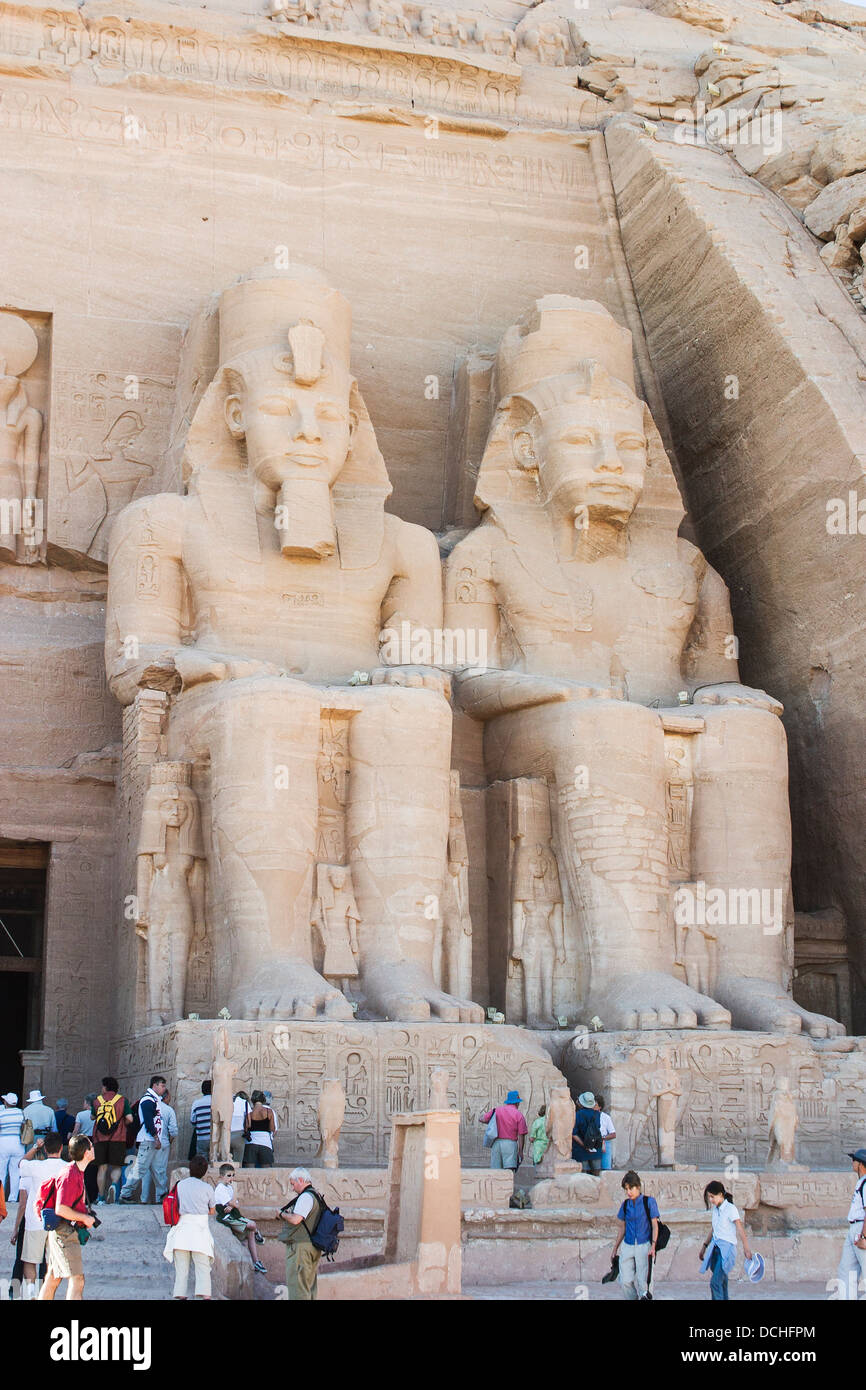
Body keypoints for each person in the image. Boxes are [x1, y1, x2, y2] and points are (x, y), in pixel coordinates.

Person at [37, 1134, 96, 1301]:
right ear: (86, 1152)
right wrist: (84, 1218)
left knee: (53, 1278)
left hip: (64, 1231)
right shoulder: (70, 1174)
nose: (93, 1149)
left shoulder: (77, 1172)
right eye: (91, 1147)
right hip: (64, 1232)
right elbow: (61, 1208)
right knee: (77, 1280)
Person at [13, 1132, 68, 1299]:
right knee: (52, 1262)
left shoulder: (35, 1166)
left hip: (35, 1220)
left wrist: (35, 1146)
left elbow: (21, 1163)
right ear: (60, 1148)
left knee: (30, 1261)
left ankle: (32, 1295)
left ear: (44, 1149)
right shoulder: (68, 1167)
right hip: (59, 1220)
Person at [163, 1153, 215, 1300]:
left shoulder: (180, 1185)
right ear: (204, 1171)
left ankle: (179, 1296)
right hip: (200, 1231)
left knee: (181, 1272)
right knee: (203, 1270)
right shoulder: (207, 1188)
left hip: (181, 1230)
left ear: (190, 1169)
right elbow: (212, 1210)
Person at [699, 1180, 753, 1301]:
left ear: (721, 1194)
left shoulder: (730, 1209)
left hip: (727, 1250)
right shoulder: (716, 1210)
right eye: (709, 1197)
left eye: (712, 1196)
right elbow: (714, 1230)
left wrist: (746, 1248)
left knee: (715, 1283)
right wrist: (704, 1246)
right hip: (715, 1248)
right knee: (722, 1282)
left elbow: (740, 1229)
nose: (711, 1200)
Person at [612, 1170, 658, 1301]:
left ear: (638, 1187)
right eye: (626, 1189)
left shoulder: (649, 1202)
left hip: (644, 1245)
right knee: (625, 1280)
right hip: (628, 1245)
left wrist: (653, 1246)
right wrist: (615, 1248)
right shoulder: (626, 1205)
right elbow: (622, 1228)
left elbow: (655, 1225)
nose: (629, 1192)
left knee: (644, 1282)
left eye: (631, 1188)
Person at [279, 1167, 323, 1300]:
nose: (292, 1188)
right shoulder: (316, 1195)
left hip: (302, 1246)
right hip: (312, 1245)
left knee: (299, 1287)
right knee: (309, 1286)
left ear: (301, 1180)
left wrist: (282, 1214)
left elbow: (296, 1219)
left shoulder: (305, 1197)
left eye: (293, 1184)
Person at [121, 1076, 166, 1204]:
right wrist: (156, 1137)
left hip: (152, 1140)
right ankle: (125, 1194)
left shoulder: (154, 1100)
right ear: (155, 1085)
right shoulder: (147, 1100)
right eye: (162, 1086)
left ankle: (163, 1194)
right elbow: (148, 1121)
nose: (164, 1089)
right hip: (148, 1139)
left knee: (158, 1168)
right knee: (140, 1168)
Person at [213, 1163, 266, 1272]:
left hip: (233, 1214)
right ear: (221, 1176)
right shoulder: (220, 1188)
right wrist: (232, 1202)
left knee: (250, 1231)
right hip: (227, 1217)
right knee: (253, 1225)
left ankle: (256, 1262)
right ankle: (257, 1233)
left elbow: (234, 1204)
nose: (231, 1178)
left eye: (233, 1175)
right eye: (228, 1175)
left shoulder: (229, 1188)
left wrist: (231, 1205)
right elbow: (234, 1204)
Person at [92, 1076, 133, 1203]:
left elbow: (92, 1117)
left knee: (102, 1168)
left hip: (100, 1138)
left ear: (105, 1087)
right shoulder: (122, 1100)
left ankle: (101, 1197)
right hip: (118, 1138)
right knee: (116, 1166)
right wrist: (122, 1125)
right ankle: (114, 1185)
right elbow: (130, 1118)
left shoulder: (97, 1101)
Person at [837, 1147, 866, 1300]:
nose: (852, 1163)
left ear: (860, 1164)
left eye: (854, 1160)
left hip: (861, 1228)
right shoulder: (861, 1182)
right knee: (846, 1271)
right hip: (854, 1228)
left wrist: (864, 1236)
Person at [480, 1090, 528, 1172]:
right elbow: (521, 1135)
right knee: (509, 1172)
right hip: (510, 1145)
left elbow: (482, 1119)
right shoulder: (518, 1115)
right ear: (517, 1103)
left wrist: (492, 1121)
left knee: (496, 1172)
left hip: (496, 1144)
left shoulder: (497, 1110)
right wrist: (520, 1151)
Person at [0, 1091, 26, 1200]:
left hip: (4, 1142)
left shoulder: (1, 1113)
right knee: (15, 1172)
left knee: (1, 1172)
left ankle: (0, 1198)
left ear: (6, 1102)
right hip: (18, 1143)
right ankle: (13, 1198)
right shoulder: (21, 1113)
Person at [154, 1088, 179, 1202]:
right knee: (161, 1170)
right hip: (163, 1141)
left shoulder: (151, 1106)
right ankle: (160, 1197)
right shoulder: (168, 1110)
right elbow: (173, 1130)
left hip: (150, 1141)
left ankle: (144, 1197)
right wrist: (170, 1140)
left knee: (149, 1171)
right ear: (166, 1097)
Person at [572, 1090, 603, 1175]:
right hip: (596, 1149)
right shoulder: (597, 1114)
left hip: (581, 1151)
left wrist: (584, 1145)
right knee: (597, 1175)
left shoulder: (578, 1114)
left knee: (583, 1176)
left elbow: (574, 1134)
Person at [243, 1091, 276, 1168]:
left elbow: (246, 1127)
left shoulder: (250, 1111)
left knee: (249, 1170)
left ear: (252, 1100)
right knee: (266, 1169)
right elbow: (272, 1128)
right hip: (265, 1142)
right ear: (263, 1100)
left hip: (251, 1141)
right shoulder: (269, 1111)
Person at [190, 1081, 212, 1159]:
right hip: (214, 1137)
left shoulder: (196, 1103)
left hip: (201, 1137)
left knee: (202, 1163)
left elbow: (193, 1121)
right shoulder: (216, 1102)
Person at [596, 1095, 616, 1172]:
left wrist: (602, 1138)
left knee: (605, 1169)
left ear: (600, 1107)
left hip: (604, 1143)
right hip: (594, 1143)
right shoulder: (590, 1116)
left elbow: (613, 1134)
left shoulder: (606, 1117)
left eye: (595, 1104)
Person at [230, 1091, 250, 1164]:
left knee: (227, 1161)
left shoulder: (229, 1103)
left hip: (227, 1134)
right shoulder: (245, 1103)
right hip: (239, 1134)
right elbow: (249, 1123)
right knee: (238, 1162)